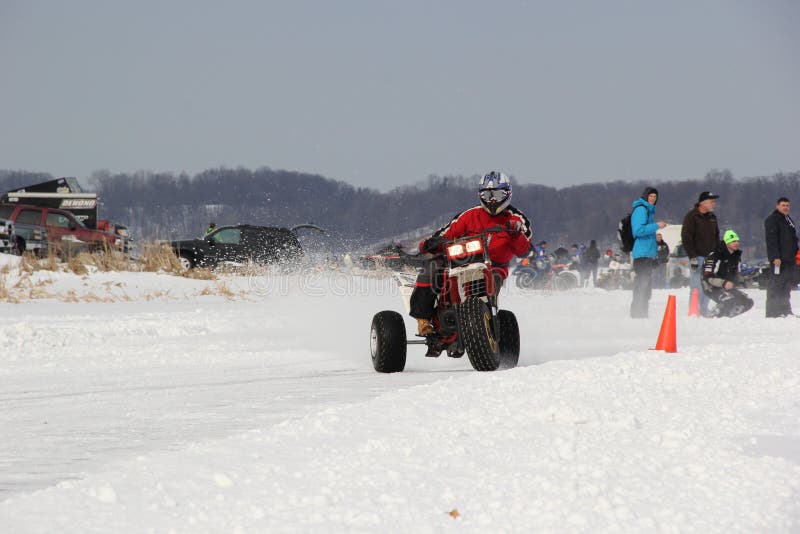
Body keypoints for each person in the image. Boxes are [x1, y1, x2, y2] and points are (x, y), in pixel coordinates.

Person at [409, 171, 532, 342]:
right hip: (460, 262)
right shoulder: (469, 216)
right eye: (487, 195)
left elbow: (525, 250)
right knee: (432, 268)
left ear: (507, 194)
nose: (492, 200)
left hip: (494, 267)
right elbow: (446, 233)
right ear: (480, 195)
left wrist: (515, 232)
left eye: (497, 194)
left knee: (492, 280)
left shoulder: (516, 219)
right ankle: (424, 321)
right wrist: (430, 243)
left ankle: (489, 318)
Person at [630, 187, 667, 318]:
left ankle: (641, 313)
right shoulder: (641, 209)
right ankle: (637, 314)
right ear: (645, 196)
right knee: (642, 285)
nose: (653, 199)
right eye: (650, 196)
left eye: (655, 197)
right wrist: (656, 226)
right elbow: (638, 230)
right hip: (642, 254)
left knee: (645, 287)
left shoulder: (648, 210)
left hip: (647, 254)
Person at [681, 191, 720, 316]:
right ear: (703, 203)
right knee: (697, 286)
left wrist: (717, 253)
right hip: (697, 257)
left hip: (710, 258)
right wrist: (692, 256)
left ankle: (703, 310)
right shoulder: (691, 216)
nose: (714, 203)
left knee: (709, 286)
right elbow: (686, 238)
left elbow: (716, 236)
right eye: (712, 201)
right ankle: (694, 310)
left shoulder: (712, 217)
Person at [702, 230, 754, 318]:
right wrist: (723, 283)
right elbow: (707, 277)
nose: (736, 243)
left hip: (727, 286)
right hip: (711, 286)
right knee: (728, 301)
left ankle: (729, 318)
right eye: (733, 241)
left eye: (737, 241)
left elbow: (736, 274)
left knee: (747, 301)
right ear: (727, 242)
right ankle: (712, 318)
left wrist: (745, 280)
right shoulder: (715, 255)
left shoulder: (736, 256)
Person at [764, 197, 799, 317]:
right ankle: (773, 312)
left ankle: (785, 310)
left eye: (787, 205)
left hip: (790, 259)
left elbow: (792, 239)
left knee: (786, 285)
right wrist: (775, 257)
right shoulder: (772, 220)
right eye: (783, 205)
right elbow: (771, 240)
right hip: (779, 260)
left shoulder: (788, 220)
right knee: (776, 285)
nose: (785, 207)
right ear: (777, 206)